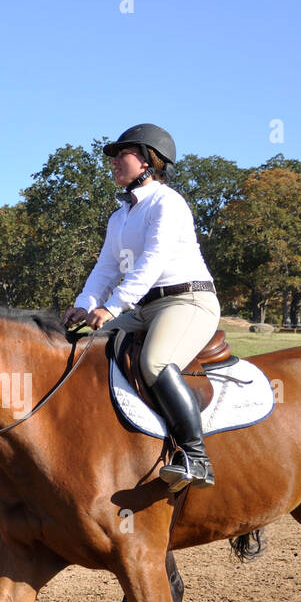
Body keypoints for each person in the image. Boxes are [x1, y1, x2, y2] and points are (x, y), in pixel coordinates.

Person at [62, 124, 221, 491]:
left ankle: (196, 458)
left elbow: (153, 259)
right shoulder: (118, 218)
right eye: (115, 156)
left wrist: (114, 306)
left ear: (149, 160)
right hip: (145, 307)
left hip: (187, 299)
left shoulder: (168, 202)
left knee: (154, 363)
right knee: (86, 351)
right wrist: (84, 306)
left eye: (124, 154)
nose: (115, 161)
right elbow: (104, 269)